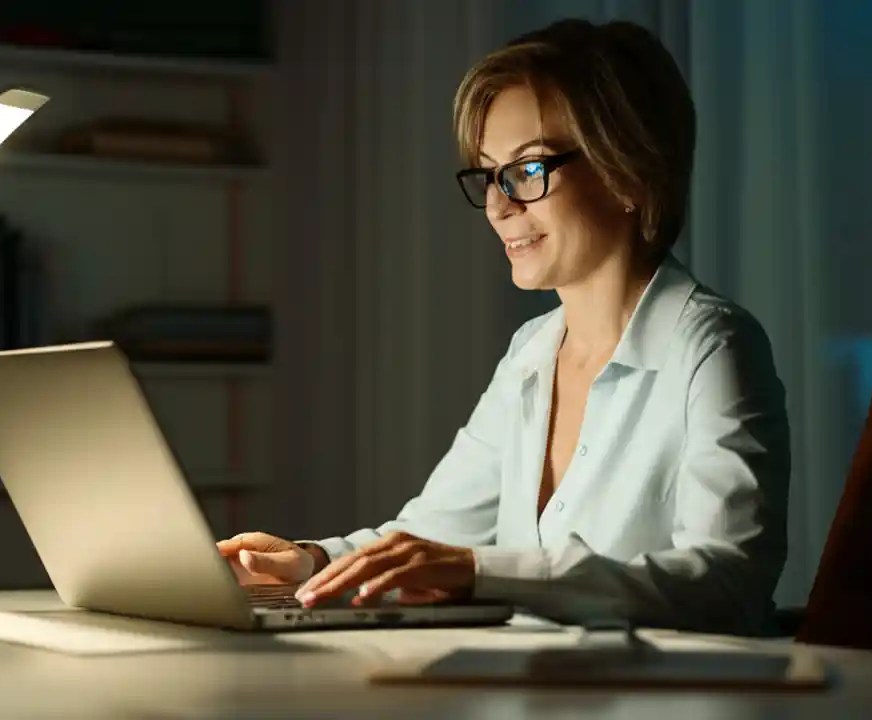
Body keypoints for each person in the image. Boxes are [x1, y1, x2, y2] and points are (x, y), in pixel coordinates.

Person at [217, 18, 790, 635]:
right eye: (489, 175)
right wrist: (311, 562)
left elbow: (728, 578)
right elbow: (429, 537)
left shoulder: (712, 346)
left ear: (629, 172)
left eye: (528, 170)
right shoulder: (531, 353)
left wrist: (484, 573)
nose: (498, 205)